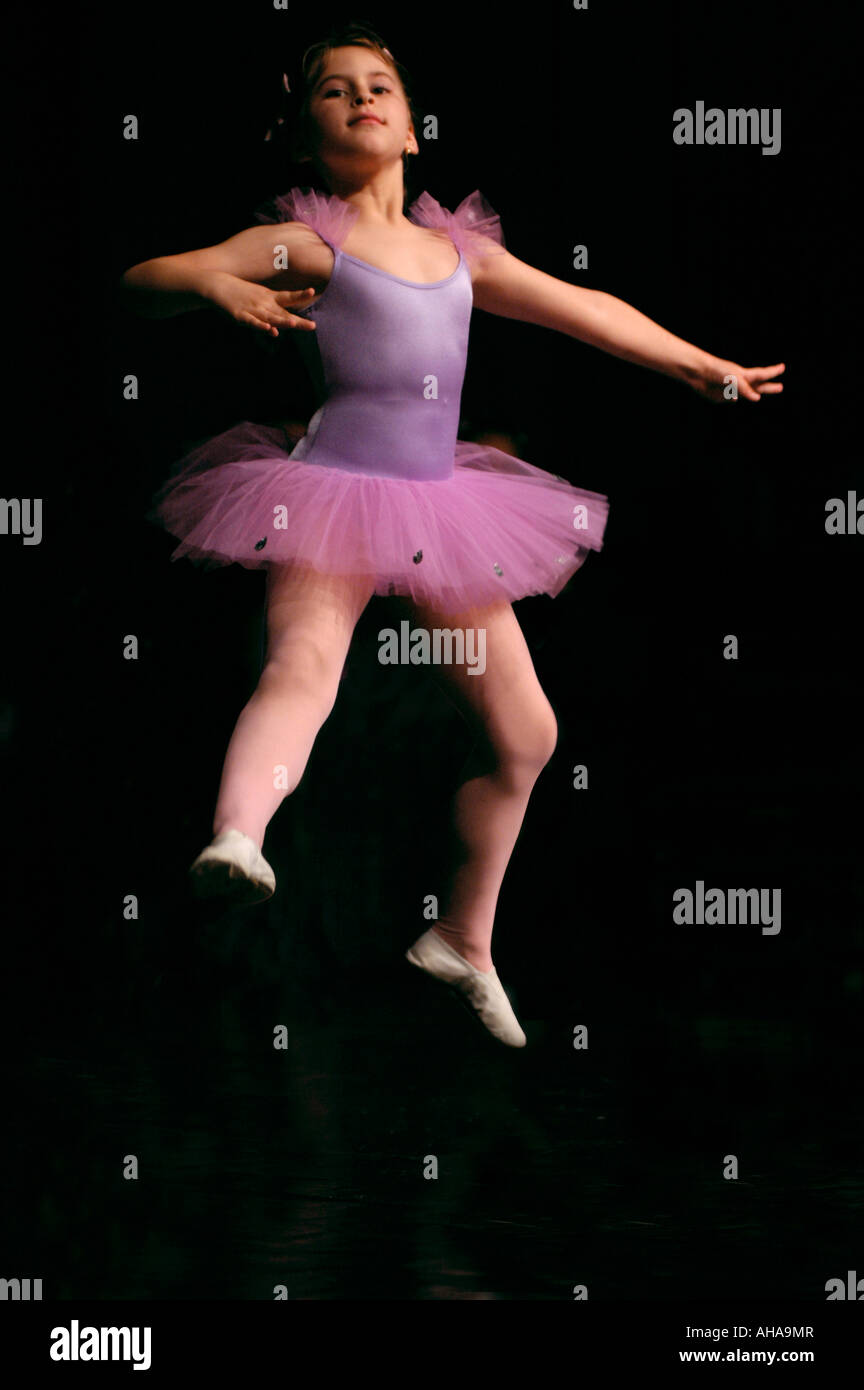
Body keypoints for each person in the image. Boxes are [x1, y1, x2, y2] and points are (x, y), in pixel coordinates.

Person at [118, 23, 784, 1048]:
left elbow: (587, 308)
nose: (360, 100)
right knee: (303, 666)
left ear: (415, 126)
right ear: (304, 134)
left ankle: (463, 940)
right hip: (334, 489)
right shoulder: (308, 238)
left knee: (529, 734)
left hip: (439, 505)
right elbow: (146, 277)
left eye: (377, 84)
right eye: (333, 91)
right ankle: (239, 836)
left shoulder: (457, 251)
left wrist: (700, 365)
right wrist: (213, 283)